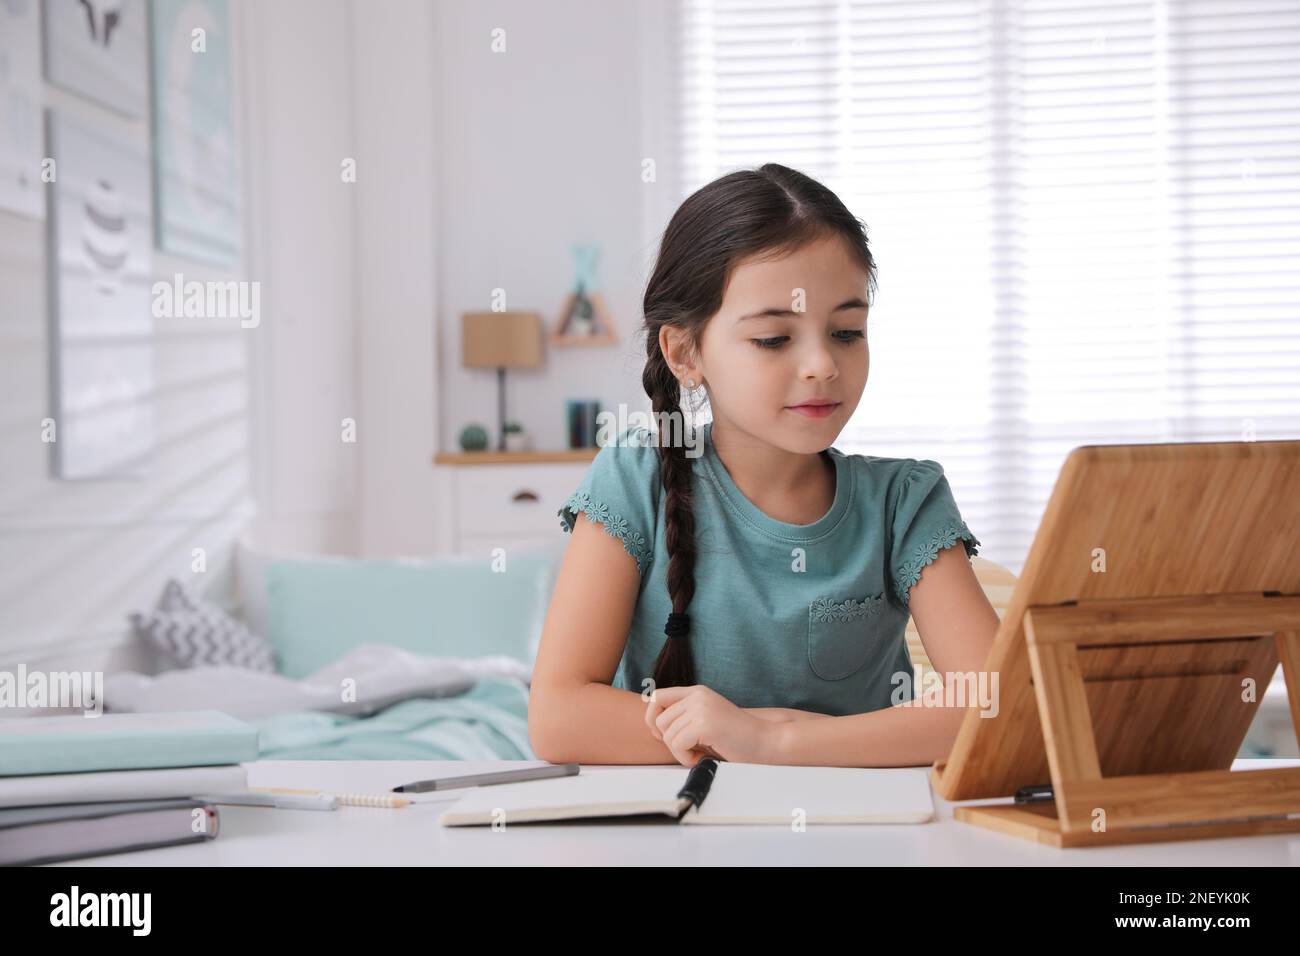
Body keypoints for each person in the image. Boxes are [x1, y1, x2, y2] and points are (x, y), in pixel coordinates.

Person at [529, 163, 1000, 768]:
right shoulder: (633, 477)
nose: (821, 365)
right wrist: (746, 736)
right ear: (684, 351)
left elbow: (994, 703)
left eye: (847, 331)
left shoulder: (906, 498)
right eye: (775, 339)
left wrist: (770, 741)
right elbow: (559, 717)